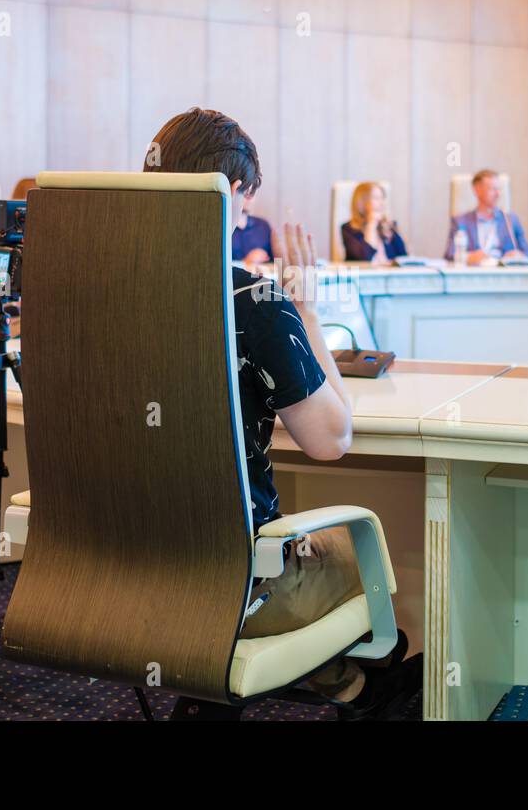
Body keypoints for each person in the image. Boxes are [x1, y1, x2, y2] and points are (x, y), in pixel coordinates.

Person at [145, 108, 419, 717]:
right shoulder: (253, 301)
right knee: (362, 549)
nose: (247, 215)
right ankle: (369, 681)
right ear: (233, 192)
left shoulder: (92, 290)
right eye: (246, 200)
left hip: (113, 570)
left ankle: (349, 685)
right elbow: (330, 438)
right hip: (235, 582)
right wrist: (307, 311)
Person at [444, 169, 528, 264]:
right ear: (477, 190)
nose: (498, 194)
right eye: (492, 189)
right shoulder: (461, 221)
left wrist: (519, 255)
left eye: (499, 189)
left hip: (503, 271)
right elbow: (449, 254)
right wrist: (468, 257)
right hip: (475, 271)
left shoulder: (511, 220)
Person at [341, 182, 407, 263]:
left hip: (387, 271)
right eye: (376, 198)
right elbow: (365, 258)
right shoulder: (348, 229)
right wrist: (371, 223)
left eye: (382, 198)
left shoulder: (389, 226)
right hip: (365, 271)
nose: (382, 203)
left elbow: (403, 258)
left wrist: (393, 234)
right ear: (361, 202)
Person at [230, 192, 272, 266]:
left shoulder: (263, 226)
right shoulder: (222, 229)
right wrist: (245, 263)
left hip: (262, 273)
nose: (250, 197)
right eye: (245, 193)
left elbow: (275, 262)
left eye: (252, 193)